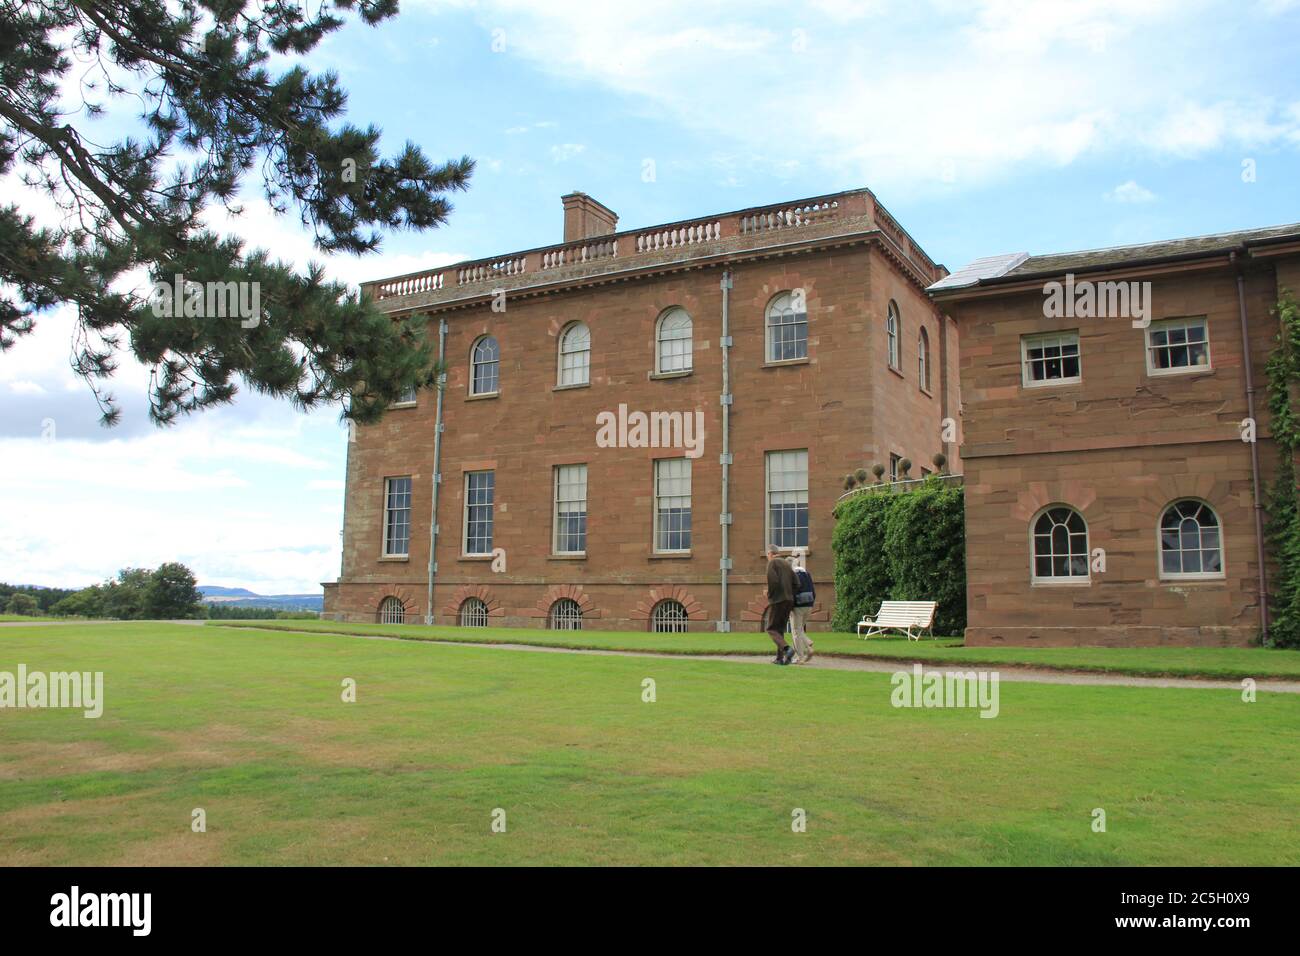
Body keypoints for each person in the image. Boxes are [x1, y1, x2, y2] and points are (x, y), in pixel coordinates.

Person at [765, 545, 797, 665]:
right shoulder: (786, 564)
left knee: (771, 629)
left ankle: (787, 649)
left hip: (778, 600)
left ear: (770, 554)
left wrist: (770, 595)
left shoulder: (772, 563)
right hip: (789, 600)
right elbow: (797, 583)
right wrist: (790, 595)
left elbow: (773, 581)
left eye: (767, 555)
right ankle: (781, 659)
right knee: (779, 629)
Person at [789, 553, 815, 663]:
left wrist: (790, 606)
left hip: (798, 606)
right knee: (799, 629)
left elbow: (791, 592)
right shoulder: (807, 574)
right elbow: (813, 590)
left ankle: (800, 657)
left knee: (795, 631)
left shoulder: (792, 575)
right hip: (809, 604)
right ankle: (808, 645)